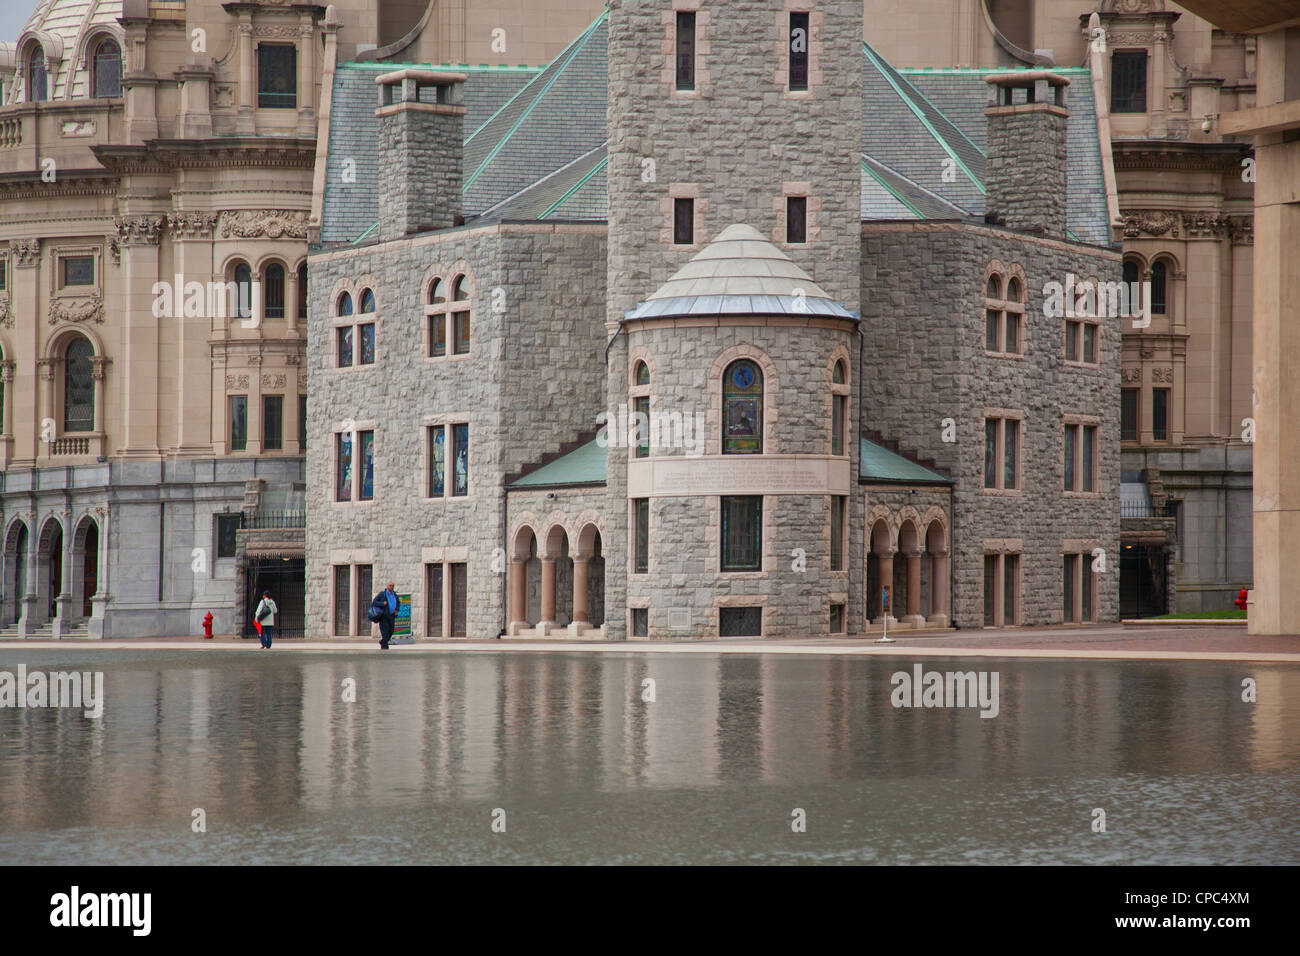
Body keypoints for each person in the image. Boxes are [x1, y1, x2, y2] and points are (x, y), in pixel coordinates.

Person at [371, 582, 399, 650]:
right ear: (387, 586)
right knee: (385, 633)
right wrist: (382, 603)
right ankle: (384, 647)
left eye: (393, 586)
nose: (391, 587)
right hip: (384, 617)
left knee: (391, 631)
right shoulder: (382, 594)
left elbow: (398, 603)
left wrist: (396, 610)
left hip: (392, 616)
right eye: (390, 585)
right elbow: (374, 602)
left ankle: (383, 642)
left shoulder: (394, 594)